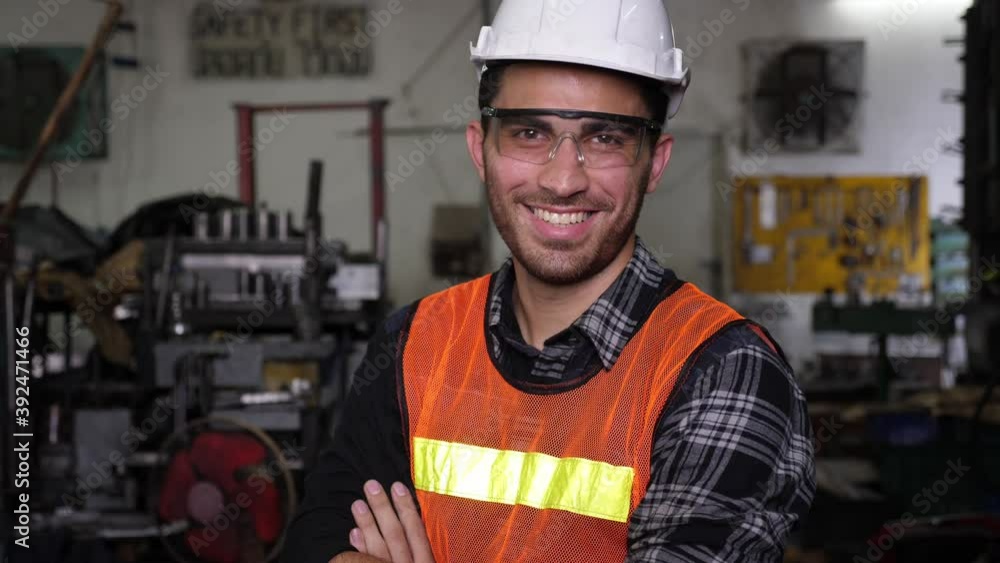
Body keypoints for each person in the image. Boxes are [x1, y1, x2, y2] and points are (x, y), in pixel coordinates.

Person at [283, 1, 815, 561]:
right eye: (530, 132)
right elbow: (318, 536)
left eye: (606, 137)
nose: (563, 180)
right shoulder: (414, 342)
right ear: (479, 150)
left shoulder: (723, 372)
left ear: (654, 163)